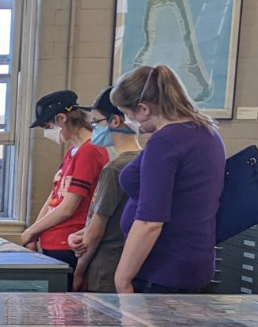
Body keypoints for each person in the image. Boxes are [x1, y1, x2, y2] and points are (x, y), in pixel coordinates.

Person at [109, 64, 225, 293]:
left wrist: (122, 280)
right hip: (192, 262)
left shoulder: (165, 142)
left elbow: (150, 221)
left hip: (162, 270)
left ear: (143, 109)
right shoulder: (205, 131)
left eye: (127, 114)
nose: (128, 120)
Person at [18, 90, 108, 282]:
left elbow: (68, 207)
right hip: (54, 242)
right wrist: (34, 233)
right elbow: (54, 197)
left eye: (47, 125)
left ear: (61, 118)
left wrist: (30, 232)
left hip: (69, 244)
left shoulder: (90, 150)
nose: (47, 131)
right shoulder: (73, 151)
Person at [67, 88, 143, 292]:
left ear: (115, 121)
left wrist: (79, 273)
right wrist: (82, 233)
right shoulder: (146, 162)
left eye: (96, 122)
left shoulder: (114, 169)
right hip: (134, 267)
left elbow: (96, 231)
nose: (93, 128)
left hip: (105, 271)